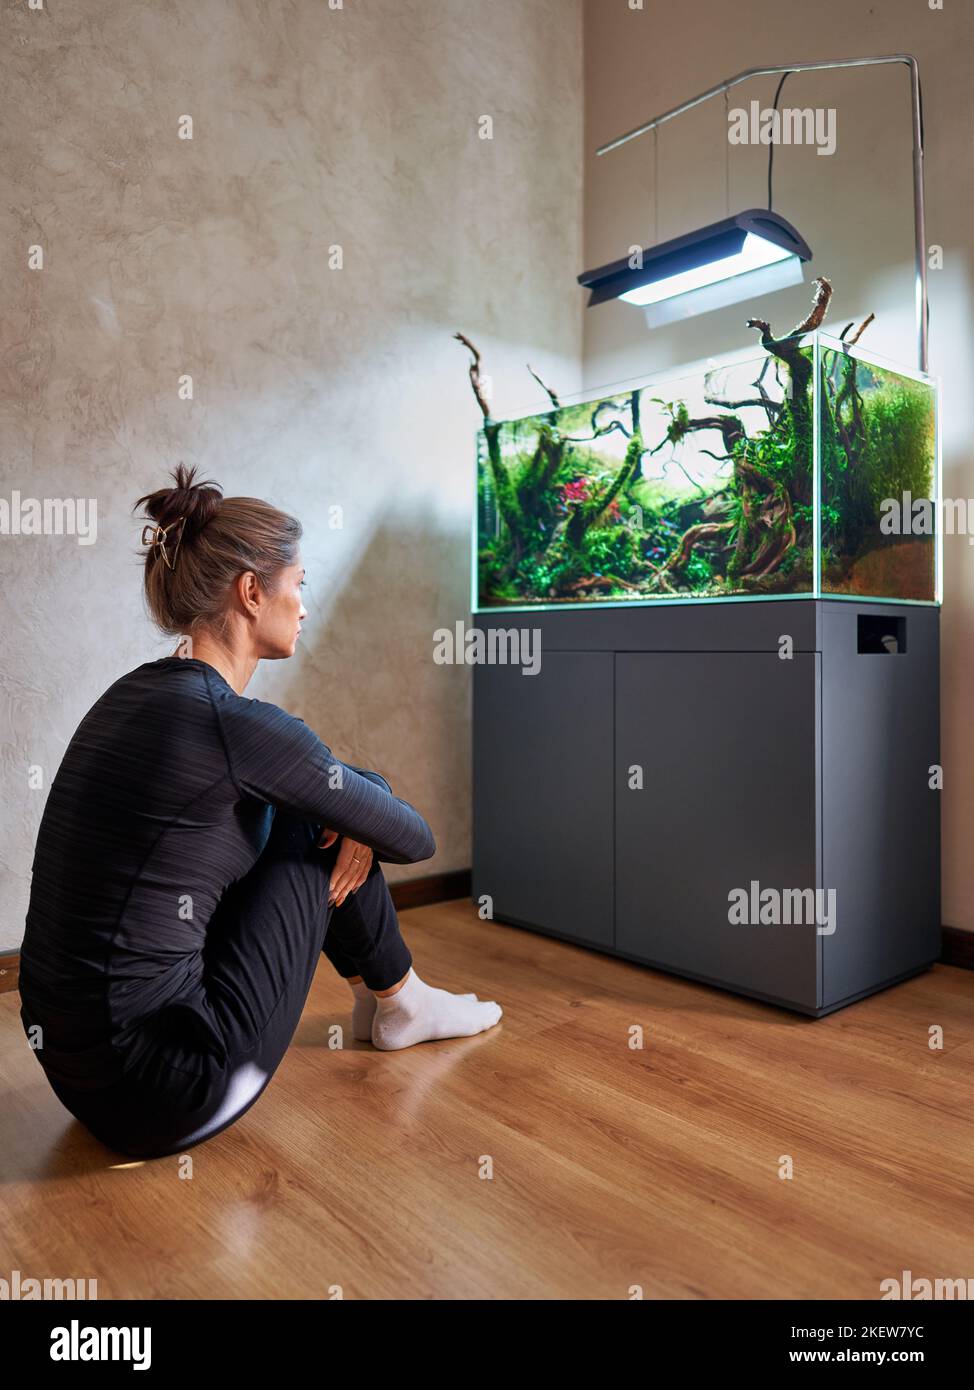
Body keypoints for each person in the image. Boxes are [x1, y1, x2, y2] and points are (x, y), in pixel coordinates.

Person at [18, 464, 501, 1160]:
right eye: (298, 584)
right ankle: (405, 1002)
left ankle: (393, 1002)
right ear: (252, 592)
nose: (305, 605)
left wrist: (354, 799)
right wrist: (364, 807)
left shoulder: (129, 697)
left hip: (78, 1074)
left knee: (315, 806)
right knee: (316, 820)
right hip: (174, 1091)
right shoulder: (239, 726)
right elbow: (417, 840)